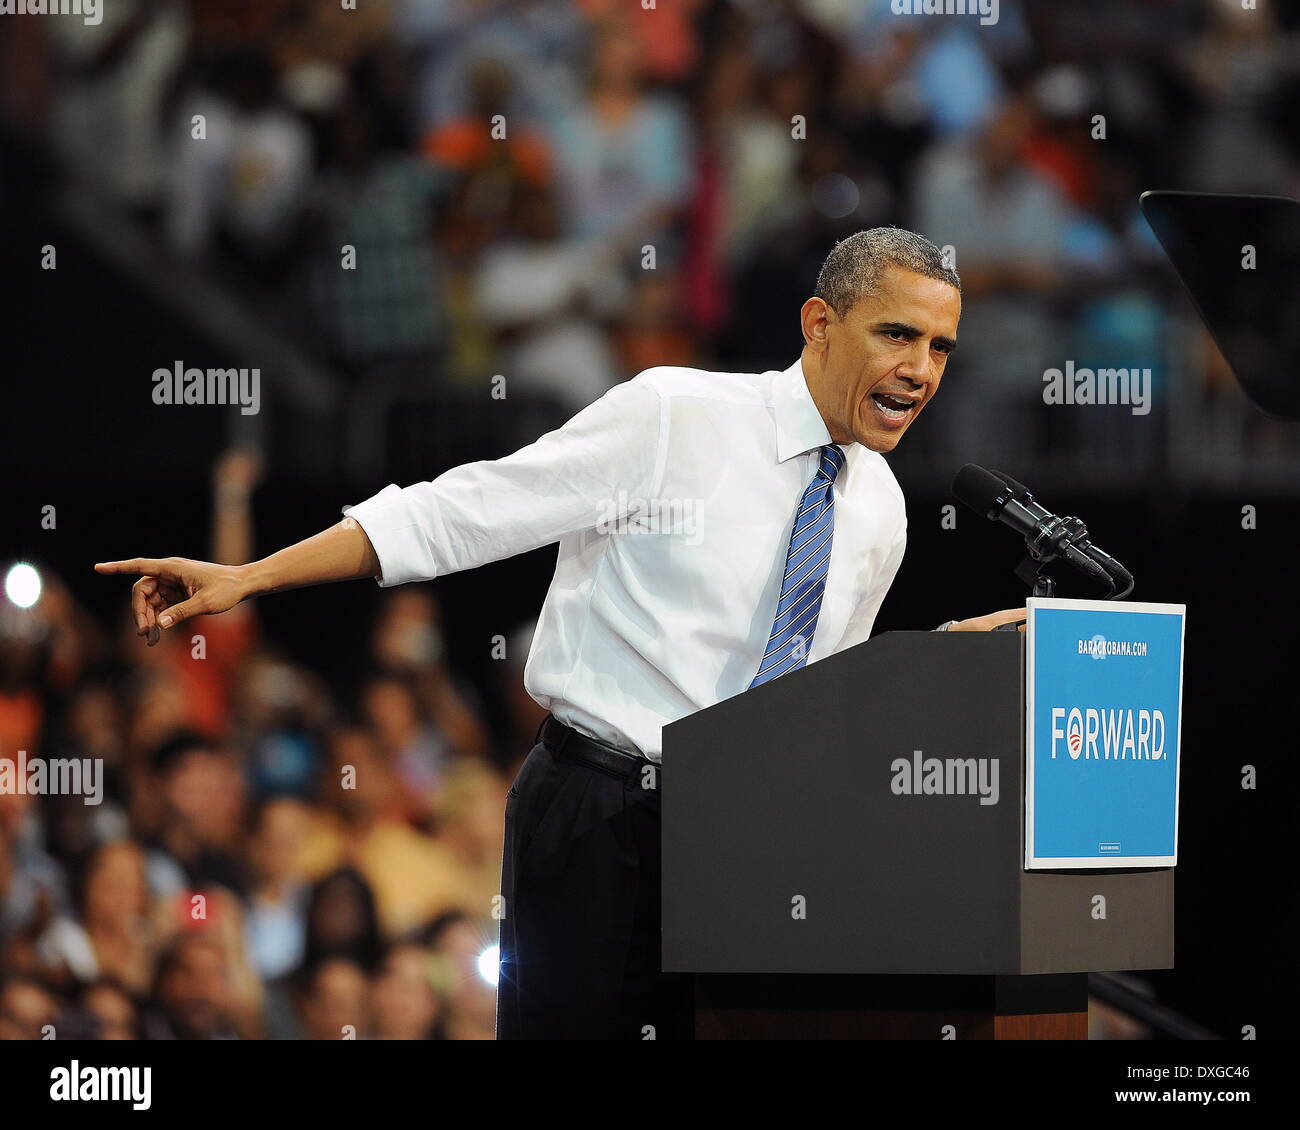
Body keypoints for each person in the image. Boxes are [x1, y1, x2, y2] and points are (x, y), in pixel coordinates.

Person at [95, 227, 1025, 1040]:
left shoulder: (884, 510)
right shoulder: (675, 414)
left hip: (743, 836)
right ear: (820, 324)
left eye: (941, 347)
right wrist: (252, 576)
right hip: (596, 811)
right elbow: (468, 510)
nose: (922, 369)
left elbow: (817, 695)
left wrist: (938, 655)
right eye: (897, 334)